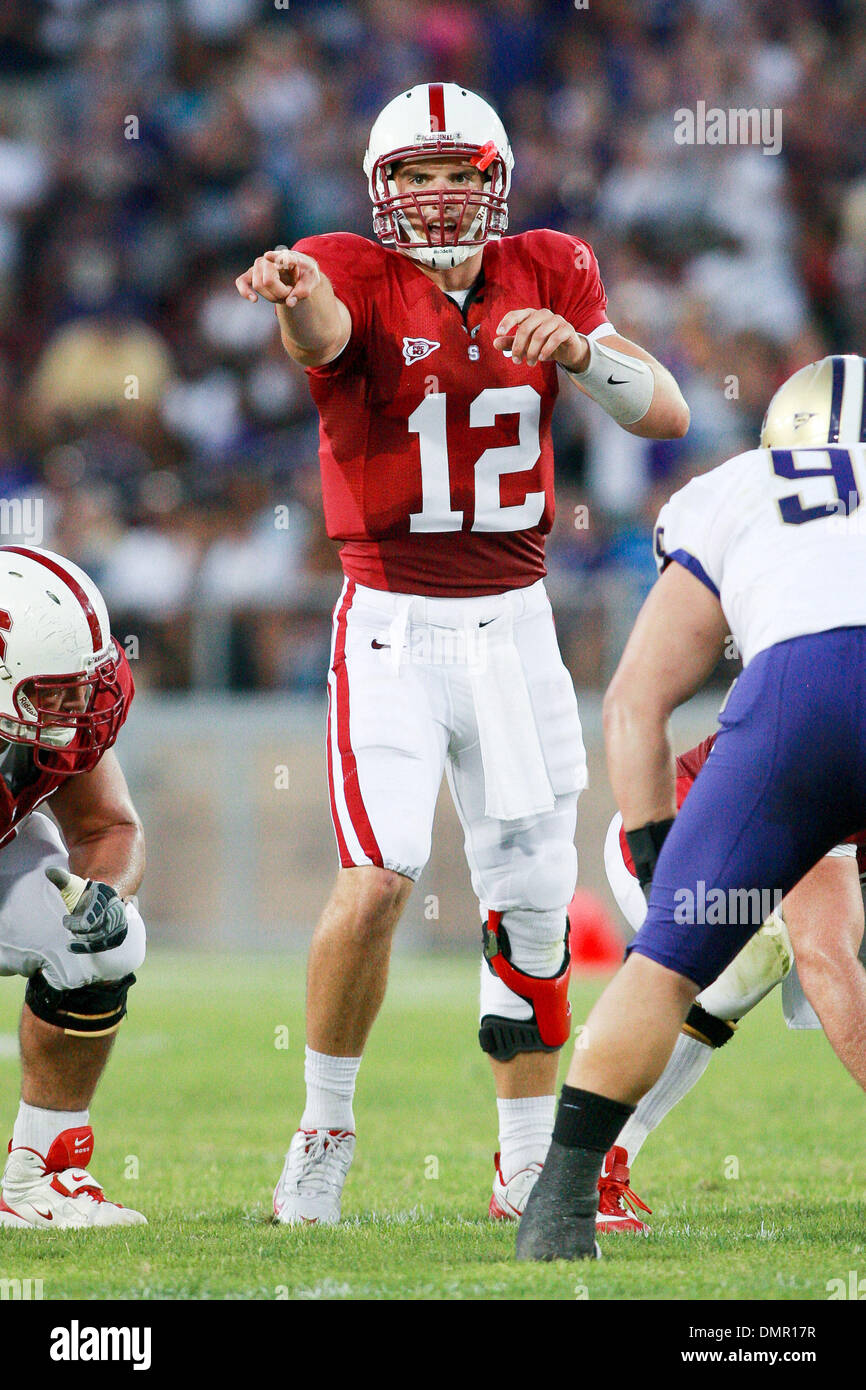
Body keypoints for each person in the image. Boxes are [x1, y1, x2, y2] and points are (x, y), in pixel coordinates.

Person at [234, 82, 689, 1224]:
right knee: (377, 877)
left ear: (495, 177)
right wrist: (292, 299)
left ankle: (526, 1161)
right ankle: (324, 1126)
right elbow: (323, 334)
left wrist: (581, 353)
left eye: (456, 172)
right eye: (417, 174)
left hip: (515, 621)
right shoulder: (341, 264)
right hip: (389, 619)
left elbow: (666, 412)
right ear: (381, 189)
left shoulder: (551, 266)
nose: (437, 196)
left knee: (534, 901)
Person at [517, 352, 866, 1261]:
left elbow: (635, 698)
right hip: (792, 771)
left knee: (673, 963)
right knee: (762, 954)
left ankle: (557, 1210)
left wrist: (651, 853)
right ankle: (602, 1170)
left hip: (796, 717)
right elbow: (827, 958)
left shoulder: (738, 488)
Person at [596, 732, 864, 1231]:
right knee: (749, 960)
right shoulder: (832, 740)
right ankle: (588, 1167)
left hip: (779, 856)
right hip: (675, 838)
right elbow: (824, 953)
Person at [0, 545, 146, 1229]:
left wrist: (106, 895)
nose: (80, 704)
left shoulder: (56, 716)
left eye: (83, 680)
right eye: (54, 688)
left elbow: (109, 829)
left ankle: (39, 1178)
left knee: (104, 945)